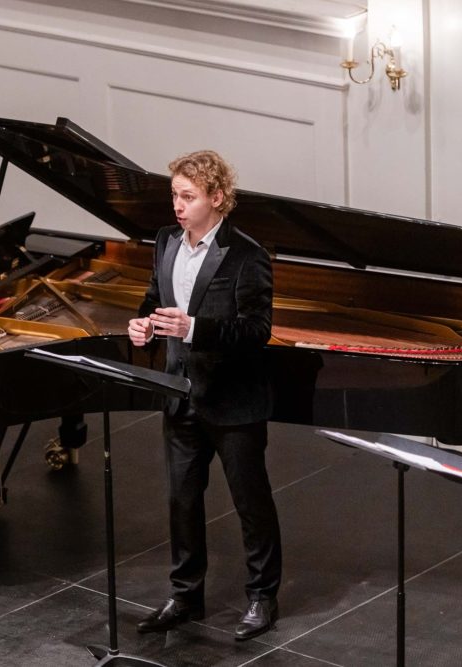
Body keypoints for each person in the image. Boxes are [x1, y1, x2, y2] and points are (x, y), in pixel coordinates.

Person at [128, 150, 281, 641]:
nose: (177, 205)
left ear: (217, 198)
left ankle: (261, 597)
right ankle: (186, 595)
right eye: (174, 195)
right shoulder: (166, 241)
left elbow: (257, 330)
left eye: (188, 196)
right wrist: (143, 324)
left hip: (232, 400)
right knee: (182, 500)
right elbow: (155, 299)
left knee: (249, 502)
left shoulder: (246, 255)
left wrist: (196, 329)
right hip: (180, 394)